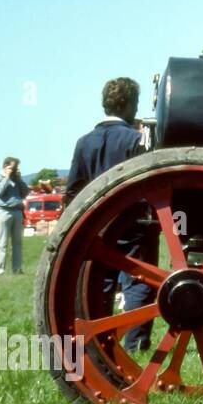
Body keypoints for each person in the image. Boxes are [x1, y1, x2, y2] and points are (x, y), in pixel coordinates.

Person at [65, 78, 152, 350]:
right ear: (126, 104)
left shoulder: (84, 143)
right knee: (138, 283)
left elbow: (73, 190)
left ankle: (98, 338)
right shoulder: (136, 140)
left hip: (96, 226)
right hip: (133, 222)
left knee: (99, 283)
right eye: (135, 104)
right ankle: (134, 343)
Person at [0, 157, 30, 275]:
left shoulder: (16, 179)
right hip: (3, 211)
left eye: (16, 168)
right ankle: (0, 270)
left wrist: (19, 179)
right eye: (12, 167)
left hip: (17, 211)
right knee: (2, 242)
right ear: (5, 166)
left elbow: (25, 192)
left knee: (17, 242)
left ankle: (17, 269)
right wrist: (7, 177)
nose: (14, 170)